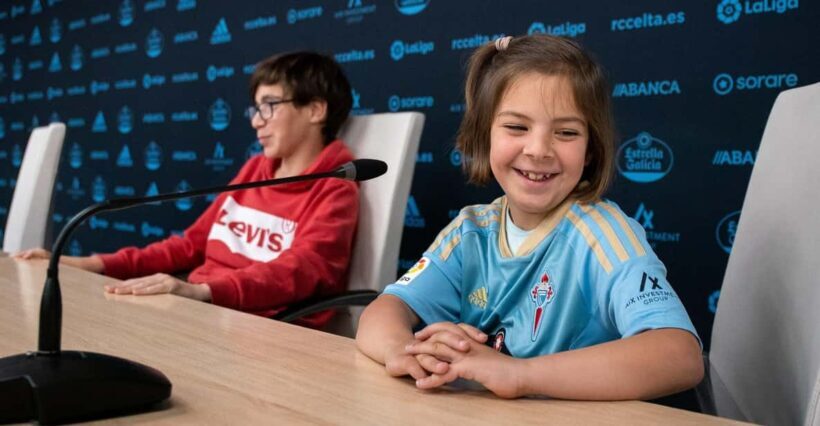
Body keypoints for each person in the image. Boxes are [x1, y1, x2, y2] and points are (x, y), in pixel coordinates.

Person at [355, 35, 703, 399]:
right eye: (517, 127)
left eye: (566, 133)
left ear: (590, 150)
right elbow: (384, 311)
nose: (538, 150)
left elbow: (679, 355)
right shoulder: (470, 230)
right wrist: (404, 351)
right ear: (484, 135)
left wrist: (519, 374)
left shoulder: (604, 233)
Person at [15, 52, 359, 328]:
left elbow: (303, 270)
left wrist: (204, 291)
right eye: (256, 109)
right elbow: (192, 244)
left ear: (315, 110)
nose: (256, 121)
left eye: (269, 105)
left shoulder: (335, 188)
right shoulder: (256, 169)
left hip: (261, 326)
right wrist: (93, 263)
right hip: (201, 308)